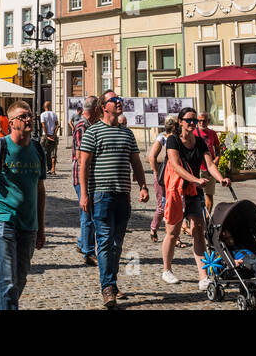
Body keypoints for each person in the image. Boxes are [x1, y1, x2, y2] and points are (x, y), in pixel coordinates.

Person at [79, 90, 150, 309]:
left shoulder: (127, 134)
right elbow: (84, 165)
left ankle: (112, 281)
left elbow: (136, 163)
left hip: (123, 195)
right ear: (104, 106)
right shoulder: (93, 132)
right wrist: (83, 194)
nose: (120, 102)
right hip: (101, 195)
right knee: (105, 240)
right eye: (115, 100)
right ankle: (107, 287)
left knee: (117, 244)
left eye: (120, 100)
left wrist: (143, 185)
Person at [0, 100, 46, 309]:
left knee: (20, 279)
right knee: (8, 280)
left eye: (30, 115)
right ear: (12, 123)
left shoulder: (38, 149)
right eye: (23, 116)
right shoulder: (0, 147)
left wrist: (41, 228)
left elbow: (40, 191)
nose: (28, 119)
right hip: (3, 219)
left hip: (29, 224)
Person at [160, 107, 230, 289]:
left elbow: (209, 164)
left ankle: (203, 276)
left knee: (198, 231)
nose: (192, 123)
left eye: (194, 120)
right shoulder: (173, 140)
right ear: (180, 122)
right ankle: (167, 270)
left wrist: (221, 178)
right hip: (176, 190)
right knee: (173, 233)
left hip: (193, 191)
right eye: (189, 120)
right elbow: (175, 166)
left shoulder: (199, 142)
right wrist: (195, 179)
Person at [70, 99, 97, 266]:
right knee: (87, 214)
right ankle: (88, 251)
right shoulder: (82, 127)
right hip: (82, 177)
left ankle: (82, 243)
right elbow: (80, 158)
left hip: (87, 176)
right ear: (94, 110)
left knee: (87, 212)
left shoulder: (89, 125)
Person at [147, 115, 179, 243]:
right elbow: (152, 156)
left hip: (174, 176)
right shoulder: (162, 138)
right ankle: (155, 228)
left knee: (174, 205)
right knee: (162, 206)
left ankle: (174, 236)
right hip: (162, 176)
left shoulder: (178, 139)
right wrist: (156, 173)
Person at [196, 112, 221, 214]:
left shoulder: (212, 133)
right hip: (198, 168)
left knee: (209, 194)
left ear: (208, 121)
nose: (202, 123)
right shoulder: (193, 133)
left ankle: (207, 219)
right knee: (196, 196)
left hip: (210, 168)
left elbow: (218, 150)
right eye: (200, 121)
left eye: (204, 121)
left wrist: (216, 160)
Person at [39, 101, 59, 174]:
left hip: (45, 135)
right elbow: (57, 125)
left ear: (44, 107)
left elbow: (44, 125)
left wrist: (47, 135)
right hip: (53, 136)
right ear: (50, 106)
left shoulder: (43, 114)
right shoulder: (54, 114)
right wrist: (54, 135)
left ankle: (44, 168)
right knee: (53, 153)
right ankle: (53, 169)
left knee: (43, 152)